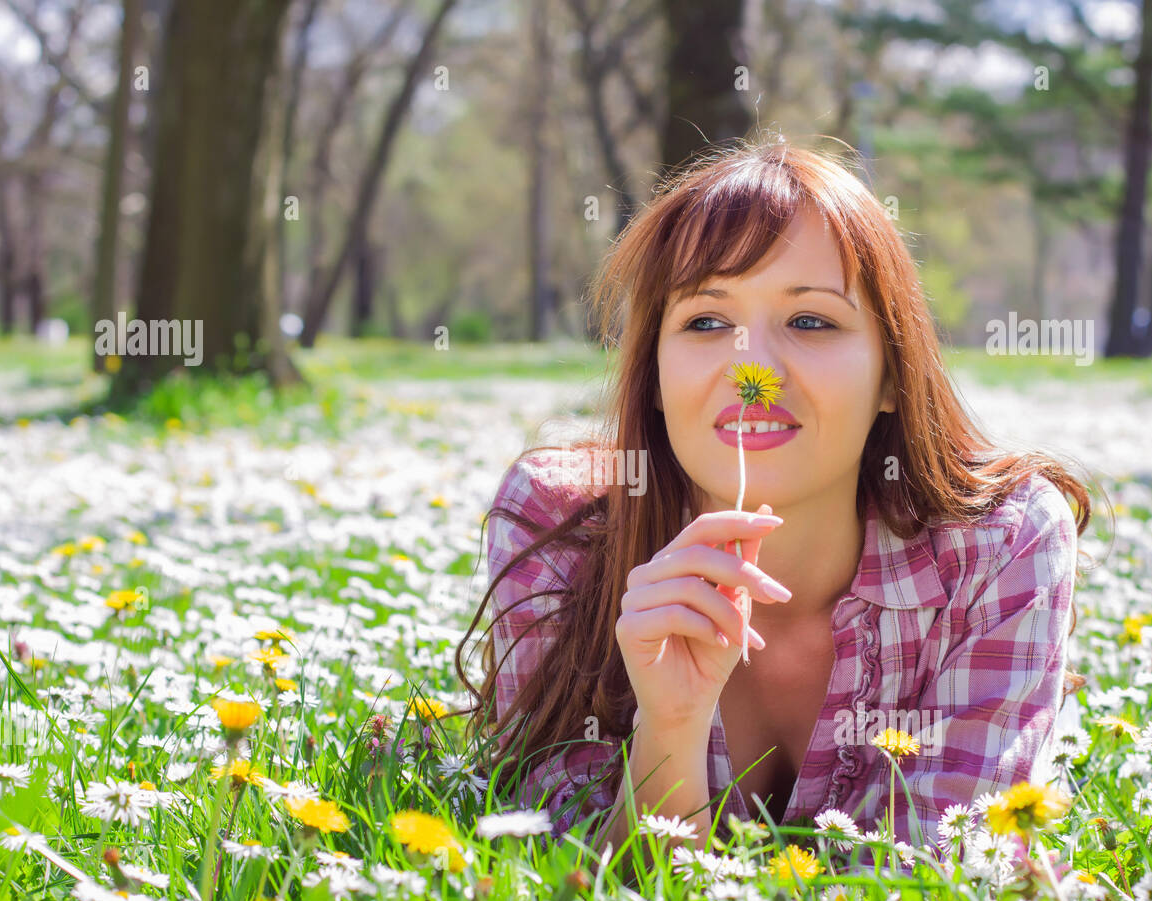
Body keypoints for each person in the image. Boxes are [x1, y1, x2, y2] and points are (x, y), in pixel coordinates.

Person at [455, 136, 1100, 860]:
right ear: (654, 376)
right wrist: (669, 728)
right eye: (706, 321)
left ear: (893, 375)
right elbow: (577, 892)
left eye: (811, 321)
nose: (751, 366)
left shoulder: (997, 547)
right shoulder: (562, 526)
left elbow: (945, 881)